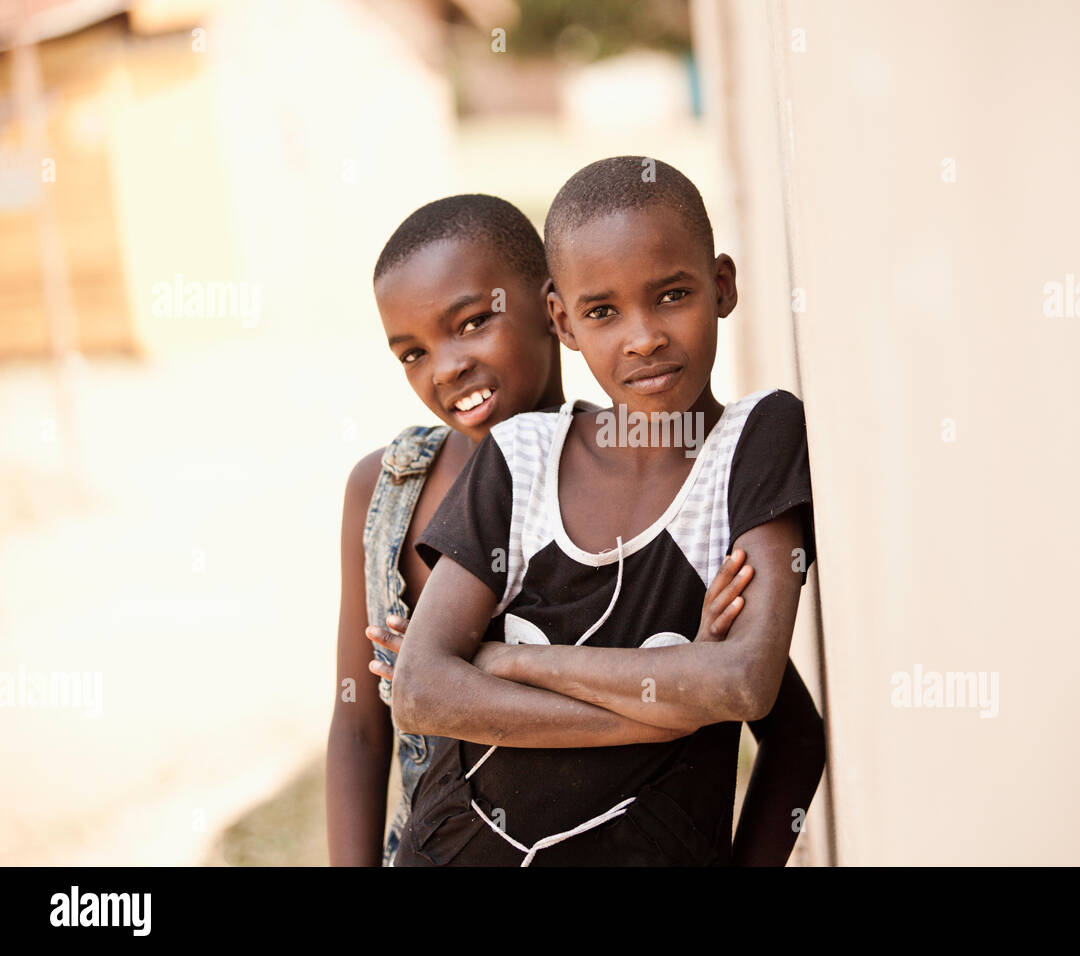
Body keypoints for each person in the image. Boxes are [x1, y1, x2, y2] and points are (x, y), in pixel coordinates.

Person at [329, 192, 823, 866]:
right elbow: (373, 718)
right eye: (412, 353)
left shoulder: (660, 477)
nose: (446, 367)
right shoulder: (392, 489)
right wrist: (665, 707)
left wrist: (496, 663)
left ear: (548, 311)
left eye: (474, 322)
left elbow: (751, 695)